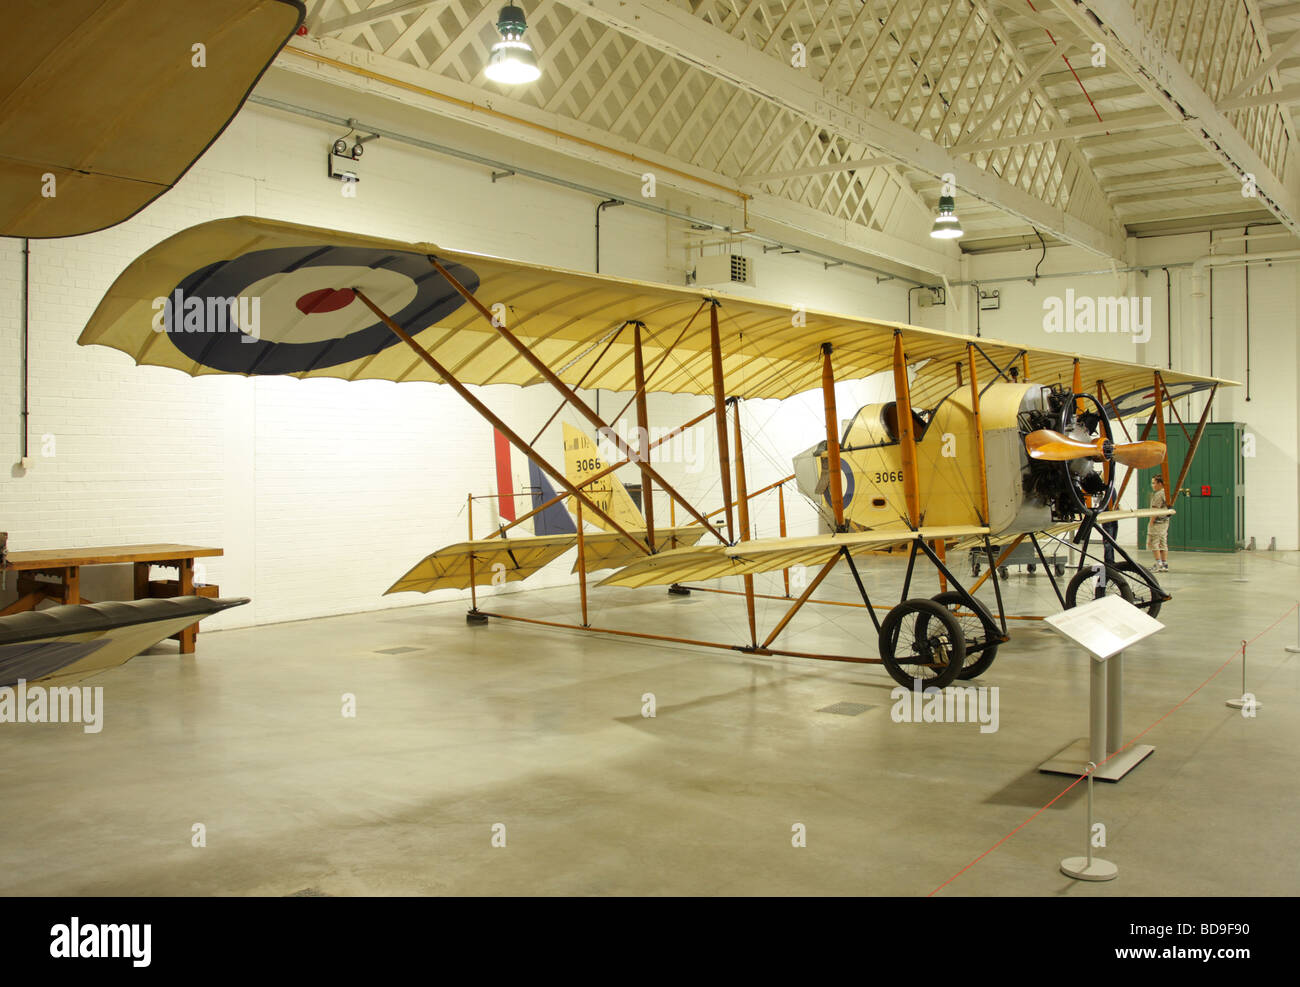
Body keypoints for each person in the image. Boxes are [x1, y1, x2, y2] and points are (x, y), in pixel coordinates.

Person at [1147, 476, 1173, 572]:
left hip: (1157, 523)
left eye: (1154, 483)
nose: (1152, 485)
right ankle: (1164, 563)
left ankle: (1158, 563)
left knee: (1155, 543)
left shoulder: (1158, 495)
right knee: (1163, 543)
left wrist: (1151, 522)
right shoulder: (1166, 494)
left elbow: (1155, 510)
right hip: (1165, 522)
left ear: (1160, 484)